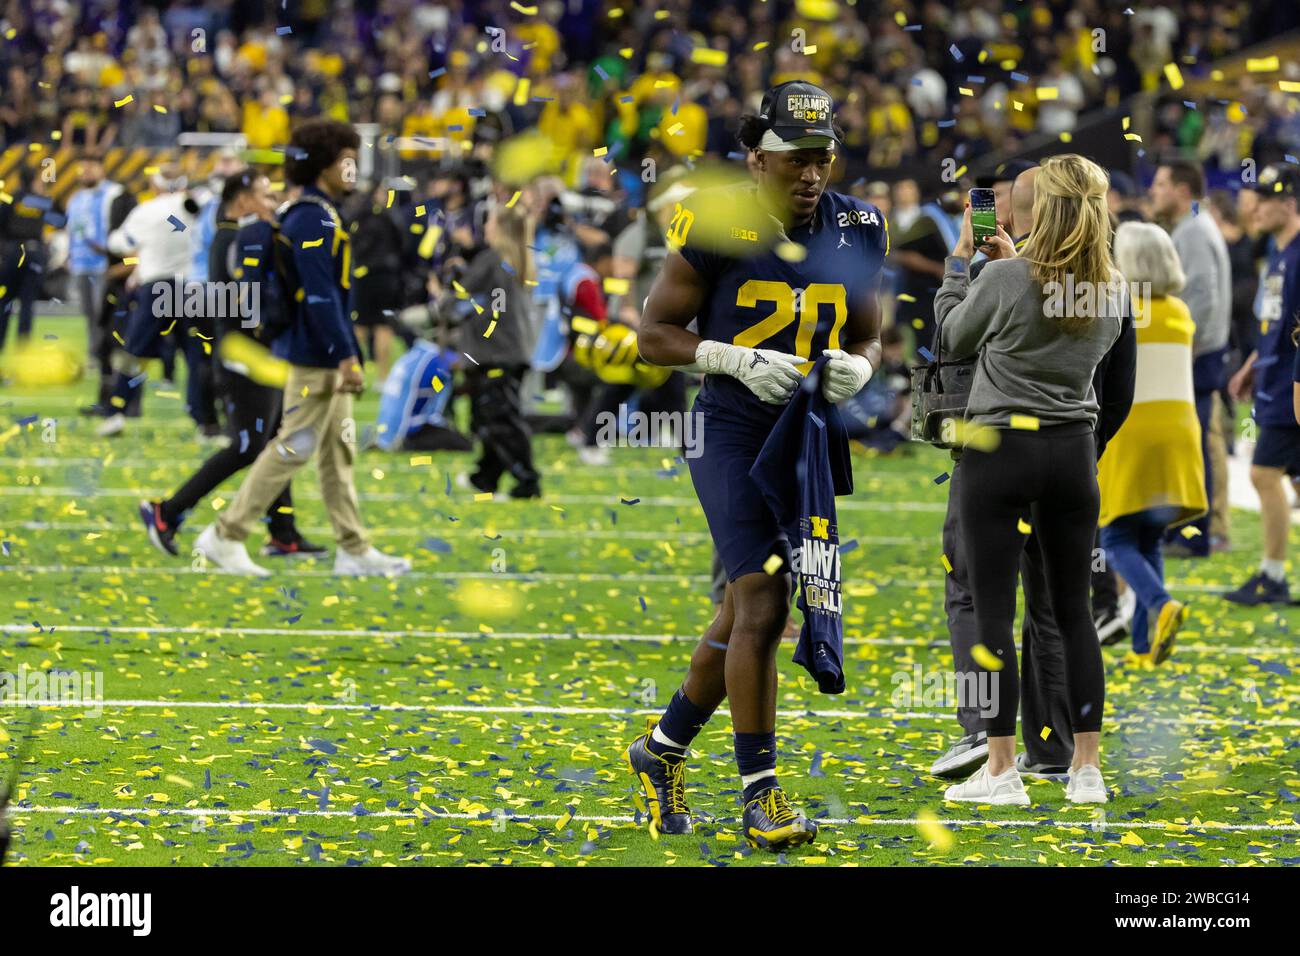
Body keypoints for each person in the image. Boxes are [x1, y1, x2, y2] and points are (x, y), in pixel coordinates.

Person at [628, 82, 887, 849]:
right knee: (764, 597)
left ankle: (663, 749)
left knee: (747, 609)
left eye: (822, 158)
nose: (811, 175)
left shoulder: (859, 225)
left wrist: (862, 368)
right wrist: (727, 356)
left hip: (805, 436)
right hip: (731, 430)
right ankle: (759, 792)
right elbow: (654, 334)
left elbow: (872, 332)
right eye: (794, 159)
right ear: (755, 157)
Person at [931, 162, 1136, 781]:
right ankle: (1085, 770)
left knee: (991, 611)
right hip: (1074, 451)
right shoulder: (1115, 287)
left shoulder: (1007, 276)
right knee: (1073, 614)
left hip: (1002, 447)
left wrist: (961, 261)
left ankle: (999, 772)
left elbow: (951, 336)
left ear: (1038, 211)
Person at [193, 118, 411, 578]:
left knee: (337, 451)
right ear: (320, 166)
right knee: (291, 447)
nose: (352, 170)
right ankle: (225, 534)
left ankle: (353, 548)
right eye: (344, 161)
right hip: (316, 354)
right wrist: (347, 353)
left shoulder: (317, 211)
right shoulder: (312, 216)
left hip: (320, 351)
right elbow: (319, 295)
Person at [138, 171, 325, 560]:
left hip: (254, 355)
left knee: (274, 443)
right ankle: (167, 512)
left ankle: (284, 534)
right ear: (242, 200)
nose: (272, 199)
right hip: (245, 359)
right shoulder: (235, 239)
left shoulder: (235, 236)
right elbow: (238, 303)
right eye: (263, 193)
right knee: (248, 445)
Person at [1098, 222, 1204, 668]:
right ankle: (1145, 647)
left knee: (1117, 533)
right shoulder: (1180, 312)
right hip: (1180, 431)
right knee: (1150, 536)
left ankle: (1161, 604)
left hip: (1133, 430)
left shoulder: (1116, 307)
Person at [1225, 165, 1300, 604]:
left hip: (1291, 385)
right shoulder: (1277, 250)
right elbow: (1277, 322)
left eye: (1266, 200)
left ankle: (1272, 576)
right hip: (1274, 376)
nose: (1255, 209)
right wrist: (1253, 363)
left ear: (1289, 203)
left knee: (1263, 473)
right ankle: (1273, 574)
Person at [1149, 160, 1231, 558]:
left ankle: (1193, 534)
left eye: (1162, 184)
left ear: (1182, 191)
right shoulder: (1193, 227)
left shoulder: (1194, 231)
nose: (1154, 191)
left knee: (1191, 445)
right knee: (1193, 442)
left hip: (1196, 357)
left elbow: (1201, 299)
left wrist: (1179, 348)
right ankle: (1188, 530)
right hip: (1199, 354)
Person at [97, 164, 202, 437]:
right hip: (190, 286)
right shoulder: (195, 206)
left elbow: (118, 243)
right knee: (196, 356)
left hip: (156, 286)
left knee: (134, 352)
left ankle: (116, 413)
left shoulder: (146, 211)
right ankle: (207, 421)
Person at [454, 203, 542, 499]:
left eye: (490, 223)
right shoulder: (516, 260)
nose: (486, 228)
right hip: (510, 351)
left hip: (496, 353)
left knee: (501, 420)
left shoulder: (493, 260)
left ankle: (527, 481)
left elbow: (458, 295)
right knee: (492, 417)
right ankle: (485, 477)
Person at [64, 153, 124, 408]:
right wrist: (69, 254)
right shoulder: (75, 199)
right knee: (89, 314)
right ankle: (95, 354)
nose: (86, 172)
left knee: (104, 315)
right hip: (80, 263)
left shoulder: (112, 193)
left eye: (91, 167)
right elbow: (71, 230)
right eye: (83, 167)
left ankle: (108, 357)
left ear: (101, 169)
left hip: (102, 265)